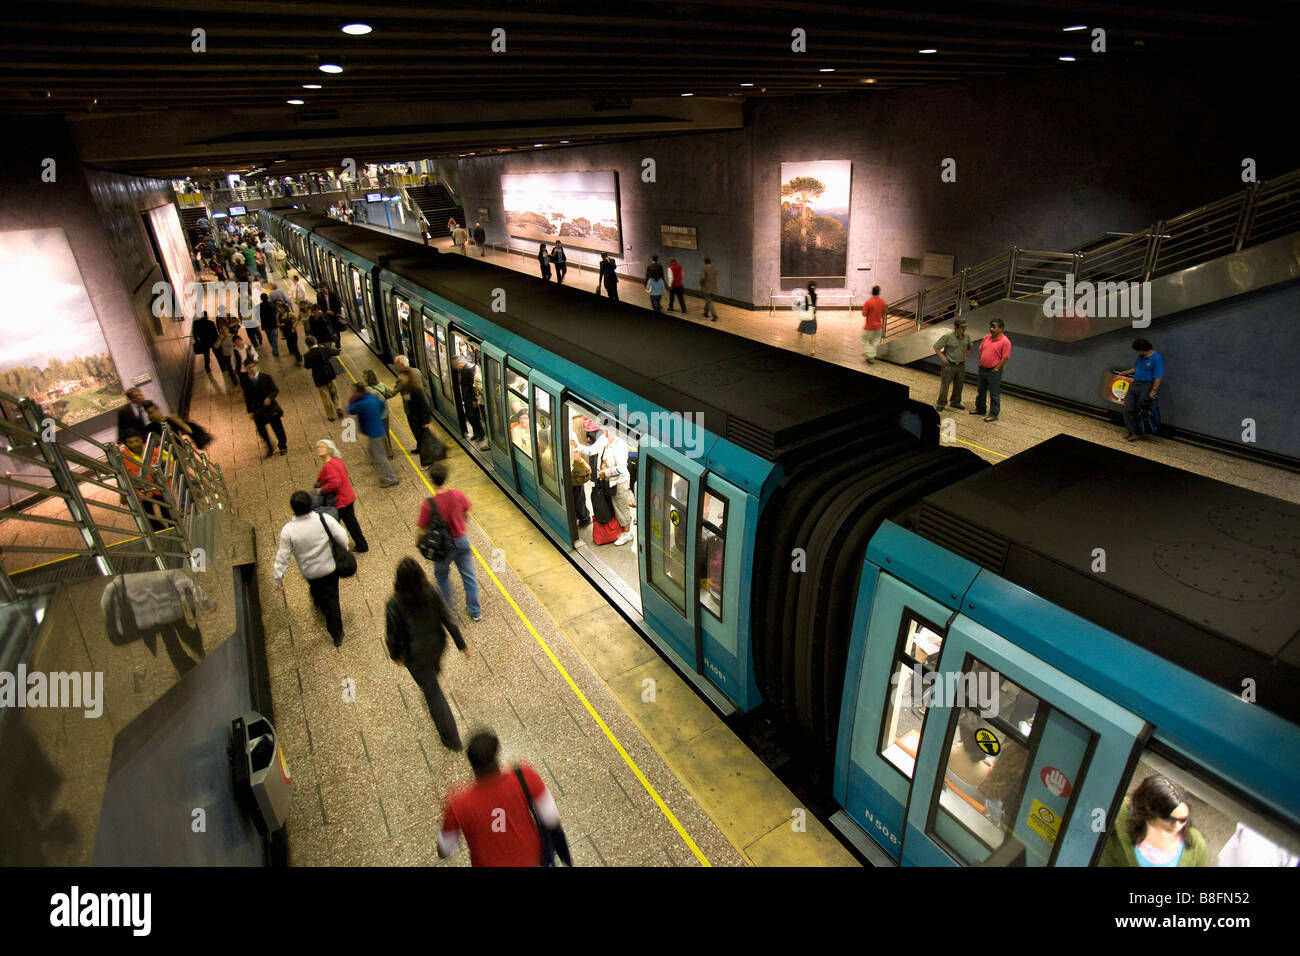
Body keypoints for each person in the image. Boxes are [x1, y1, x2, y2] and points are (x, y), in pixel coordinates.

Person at [437, 730, 569, 867]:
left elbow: (445, 850)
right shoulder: (524, 777)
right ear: (496, 754)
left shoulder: (459, 804)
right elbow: (551, 818)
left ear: (471, 762)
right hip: (530, 860)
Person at [385, 558, 467, 750]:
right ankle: (432, 681)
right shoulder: (432, 592)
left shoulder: (394, 604)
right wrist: (461, 644)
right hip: (437, 646)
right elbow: (448, 619)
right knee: (433, 676)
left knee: (433, 694)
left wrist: (396, 655)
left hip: (415, 657)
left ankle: (452, 739)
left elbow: (392, 636)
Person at [273, 490, 350, 647]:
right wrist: (343, 551)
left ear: (293, 509)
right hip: (329, 569)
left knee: (317, 591)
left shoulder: (289, 530)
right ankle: (337, 634)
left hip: (310, 573)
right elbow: (342, 537)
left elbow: (283, 555)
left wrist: (278, 576)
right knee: (333, 599)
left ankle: (320, 603)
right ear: (310, 504)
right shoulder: (324, 519)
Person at [1100, 775, 1208, 867]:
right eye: (1170, 819)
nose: (1177, 826)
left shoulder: (1196, 843)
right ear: (1150, 811)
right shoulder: (1116, 810)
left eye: (1183, 820)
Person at [418, 461, 481, 620]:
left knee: (442, 576)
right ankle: (475, 612)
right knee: (469, 577)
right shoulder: (458, 495)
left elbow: (422, 529)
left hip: (441, 547)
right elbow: (467, 513)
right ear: (446, 478)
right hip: (461, 541)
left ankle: (449, 610)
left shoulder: (428, 505)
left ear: (432, 481)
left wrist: (419, 542)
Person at [314, 439, 368, 552]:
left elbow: (334, 483)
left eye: (322, 447)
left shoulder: (328, 466)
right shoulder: (338, 460)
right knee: (351, 523)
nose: (319, 449)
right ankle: (361, 545)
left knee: (332, 526)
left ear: (329, 450)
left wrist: (322, 490)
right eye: (318, 447)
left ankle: (336, 550)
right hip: (348, 496)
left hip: (339, 501)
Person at [347, 381, 400, 487]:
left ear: (358, 392)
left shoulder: (361, 403)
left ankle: (391, 478)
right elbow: (383, 404)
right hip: (379, 428)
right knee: (374, 451)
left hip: (374, 432)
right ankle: (380, 465)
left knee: (380, 456)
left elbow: (351, 410)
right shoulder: (372, 397)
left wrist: (353, 398)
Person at [119, 428, 169, 532]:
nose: (135, 444)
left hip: (158, 487)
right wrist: (122, 494)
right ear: (125, 444)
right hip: (141, 491)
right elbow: (122, 476)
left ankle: (174, 529)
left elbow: (170, 458)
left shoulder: (151, 449)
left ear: (141, 439)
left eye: (137, 440)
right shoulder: (123, 457)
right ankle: (162, 532)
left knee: (167, 511)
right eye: (130, 442)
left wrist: (169, 474)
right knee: (148, 516)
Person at [1116, 338, 1164, 442]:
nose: (1137, 352)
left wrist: (1154, 390)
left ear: (1143, 349)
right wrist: (1125, 372)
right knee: (1128, 408)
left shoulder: (1157, 358)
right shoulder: (1141, 356)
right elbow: (1136, 368)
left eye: (1138, 350)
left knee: (1138, 410)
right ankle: (1131, 430)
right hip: (1135, 384)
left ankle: (1136, 433)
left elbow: (1158, 376)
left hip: (1146, 386)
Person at [594, 427, 633, 545]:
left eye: (607, 431)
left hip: (619, 482)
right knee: (615, 505)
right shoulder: (606, 440)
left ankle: (627, 533)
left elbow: (621, 468)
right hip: (609, 481)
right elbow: (592, 450)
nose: (605, 433)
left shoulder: (620, 444)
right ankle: (621, 528)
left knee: (621, 506)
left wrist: (604, 473)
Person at [241, 359, 287, 457]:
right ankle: (270, 446)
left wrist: (270, 398)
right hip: (258, 410)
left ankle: (282, 446)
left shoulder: (265, 377)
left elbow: (275, 390)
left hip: (270, 408)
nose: (252, 369)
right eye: (249, 368)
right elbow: (247, 398)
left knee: (278, 428)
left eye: (253, 366)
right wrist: (250, 411)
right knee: (261, 431)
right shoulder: (245, 382)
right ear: (246, 369)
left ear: (256, 366)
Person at [971, 318, 1011, 422]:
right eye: (990, 326)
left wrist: (996, 368)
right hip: (982, 369)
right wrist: (980, 361)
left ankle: (993, 414)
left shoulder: (1005, 341)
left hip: (993, 371)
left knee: (994, 393)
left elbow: (1005, 357)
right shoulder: (986, 337)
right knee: (981, 390)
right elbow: (980, 349)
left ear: (1001, 329)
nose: (991, 329)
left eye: (994, 327)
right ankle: (980, 409)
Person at [933, 318, 972, 411]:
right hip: (949, 365)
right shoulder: (948, 336)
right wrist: (943, 357)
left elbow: (969, 347)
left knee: (959, 384)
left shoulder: (967, 337)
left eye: (965, 327)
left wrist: (966, 356)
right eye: (962, 328)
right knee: (945, 385)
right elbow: (936, 347)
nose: (964, 329)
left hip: (961, 365)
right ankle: (941, 403)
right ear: (956, 328)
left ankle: (955, 402)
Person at [303, 335, 345, 421]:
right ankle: (338, 408)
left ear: (307, 344)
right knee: (334, 392)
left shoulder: (307, 355)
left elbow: (307, 366)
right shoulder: (324, 350)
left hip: (319, 378)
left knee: (325, 396)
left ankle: (331, 416)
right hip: (329, 374)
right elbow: (337, 352)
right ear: (315, 340)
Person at [451, 354, 486, 449]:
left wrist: (475, 399)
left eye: (455, 366)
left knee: (474, 416)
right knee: (471, 416)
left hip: (471, 398)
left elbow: (473, 386)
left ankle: (480, 433)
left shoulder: (468, 370)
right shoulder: (464, 370)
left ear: (460, 363)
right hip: (467, 398)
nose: (455, 368)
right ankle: (476, 432)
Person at [363, 368, 396, 458]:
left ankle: (382, 451)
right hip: (385, 413)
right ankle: (389, 452)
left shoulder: (366, 390)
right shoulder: (382, 385)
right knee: (386, 432)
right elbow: (392, 393)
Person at [399, 369, 432, 458]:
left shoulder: (416, 389)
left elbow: (425, 406)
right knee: (419, 437)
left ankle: (427, 461)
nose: (400, 378)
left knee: (423, 439)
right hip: (414, 417)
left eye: (403, 376)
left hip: (419, 418)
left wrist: (426, 421)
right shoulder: (406, 388)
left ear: (408, 377)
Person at [861, 284, 886, 364]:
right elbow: (884, 312)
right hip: (879, 326)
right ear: (879, 292)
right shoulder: (882, 302)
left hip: (869, 326)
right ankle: (871, 356)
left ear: (872, 292)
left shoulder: (868, 302)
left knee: (864, 340)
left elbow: (864, 314)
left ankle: (869, 355)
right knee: (875, 342)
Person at [795, 282, 818, 355]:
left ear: (808, 288)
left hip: (806, 316)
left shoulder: (806, 296)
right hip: (813, 316)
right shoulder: (815, 295)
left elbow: (801, 306)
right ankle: (813, 350)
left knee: (800, 331)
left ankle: (798, 345)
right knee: (813, 333)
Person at [258, 293, 281, 357]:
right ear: (267, 297)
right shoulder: (272, 304)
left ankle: (274, 349)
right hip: (273, 324)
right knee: (274, 338)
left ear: (261, 299)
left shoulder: (259, 306)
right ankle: (275, 350)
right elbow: (277, 313)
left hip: (265, 325)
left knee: (270, 338)